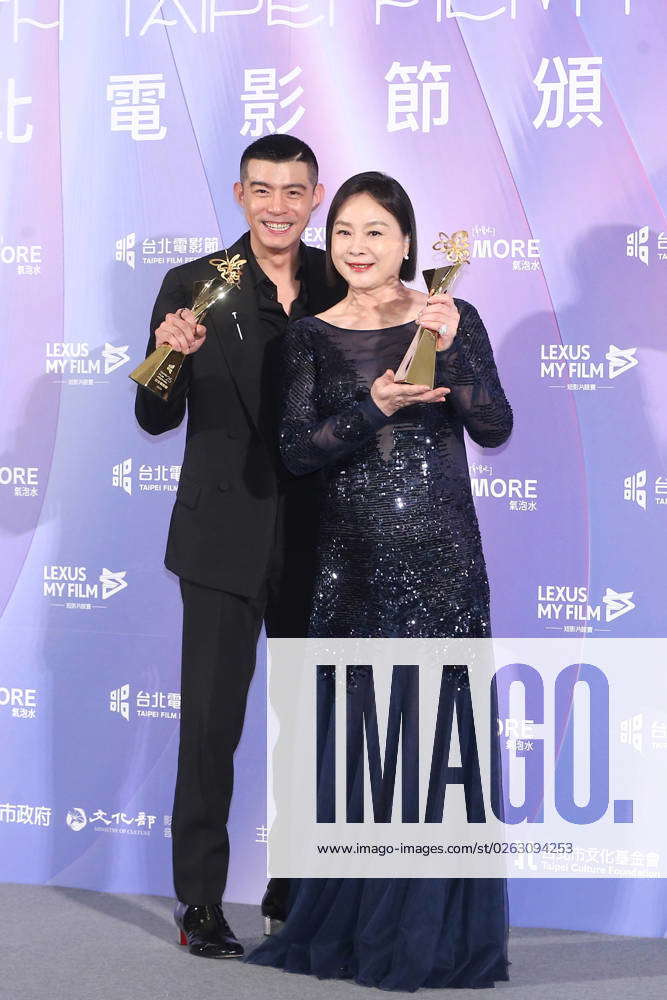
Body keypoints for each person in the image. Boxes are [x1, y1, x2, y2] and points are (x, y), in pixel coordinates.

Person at [246, 172, 513, 989]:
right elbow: (295, 450)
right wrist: (375, 406)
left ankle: (436, 934)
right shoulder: (307, 336)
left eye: (377, 233)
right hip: (349, 566)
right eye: (347, 232)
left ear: (407, 243)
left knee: (439, 750)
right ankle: (357, 924)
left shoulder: (448, 317)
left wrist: (456, 340)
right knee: (362, 751)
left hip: (442, 560)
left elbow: (494, 425)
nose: (359, 249)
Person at [134, 135, 346, 958]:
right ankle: (199, 906)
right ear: (239, 193)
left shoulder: (344, 277)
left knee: (309, 729)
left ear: (316, 197)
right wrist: (169, 359)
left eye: (294, 192)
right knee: (210, 730)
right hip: (221, 541)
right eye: (263, 190)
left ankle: (293, 896)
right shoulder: (193, 286)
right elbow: (153, 416)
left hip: (321, 539)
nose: (278, 207)